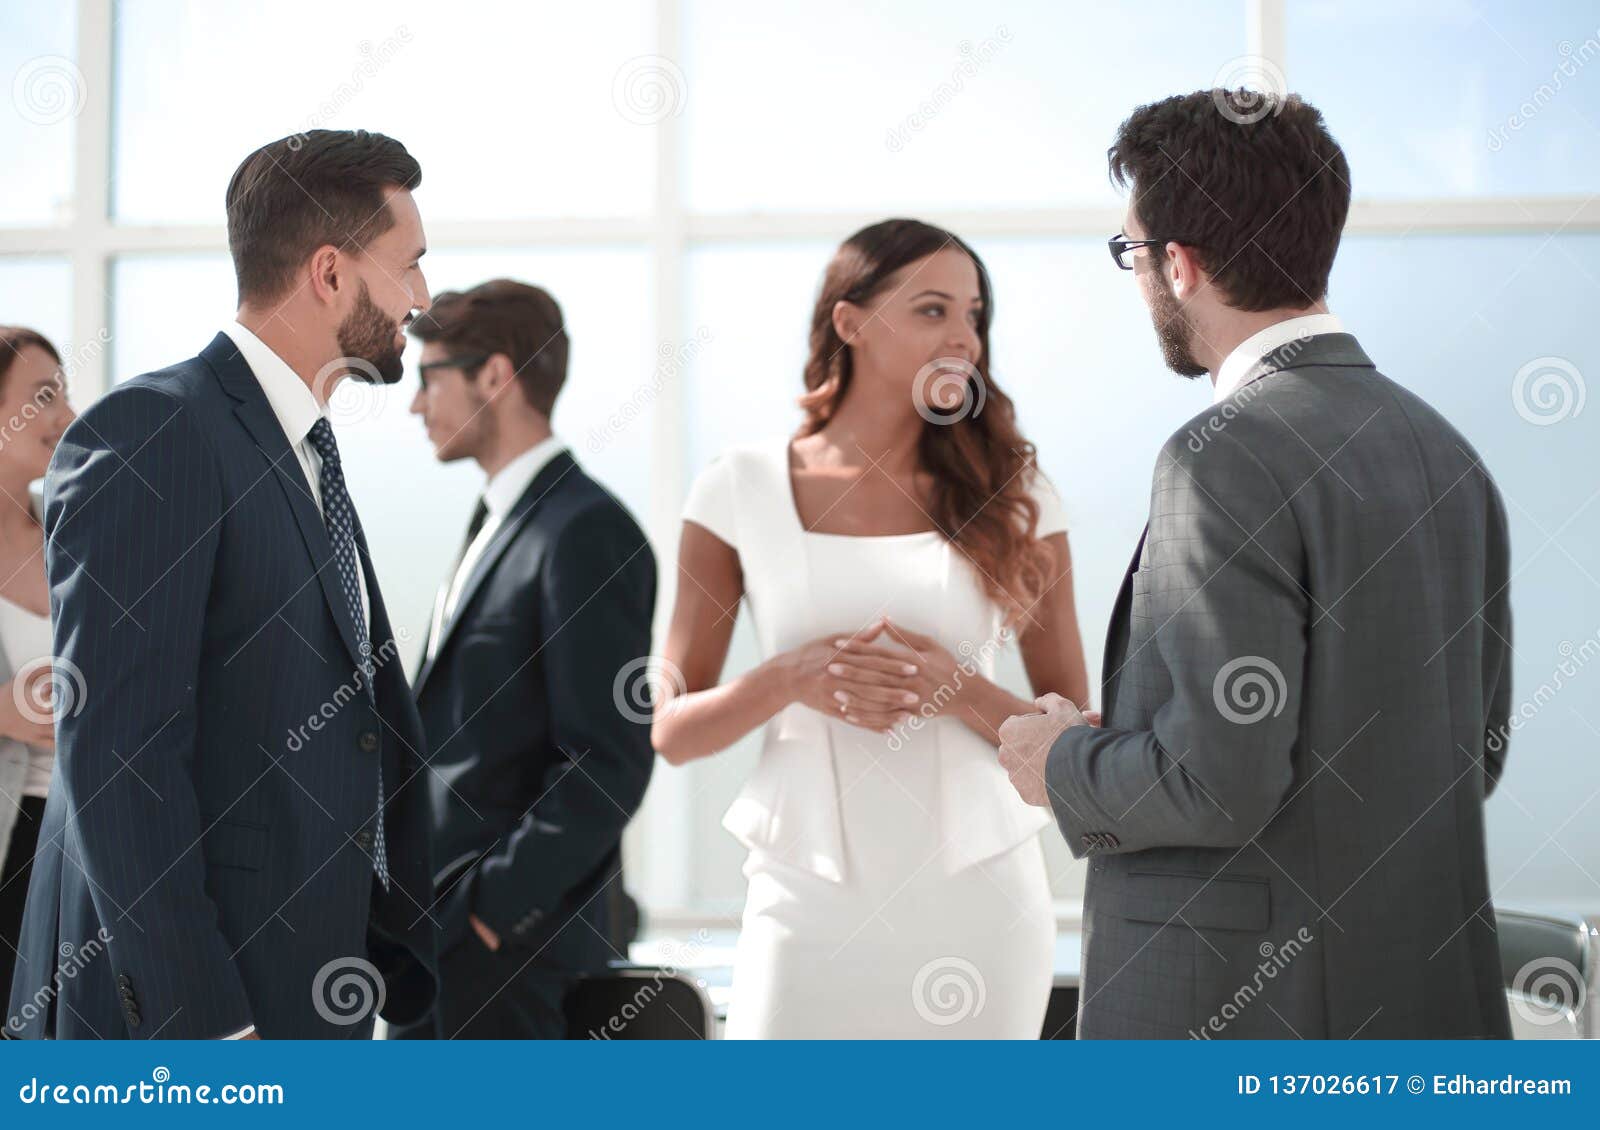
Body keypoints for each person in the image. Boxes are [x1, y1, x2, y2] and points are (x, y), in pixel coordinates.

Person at [997, 89, 1513, 1039]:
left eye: (1131, 253)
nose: (1136, 276)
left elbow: (1219, 782)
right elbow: (1469, 753)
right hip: (1423, 1007)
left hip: (1238, 1014)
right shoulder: (1446, 453)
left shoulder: (1220, 454)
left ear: (1178, 265)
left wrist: (1059, 760)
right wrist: (1152, 732)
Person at [6, 129, 439, 1039]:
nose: (423, 300)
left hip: (308, 981)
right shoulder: (156, 433)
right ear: (330, 272)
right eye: (410, 267)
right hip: (196, 1009)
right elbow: (120, 757)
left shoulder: (303, 447)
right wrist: (203, 1024)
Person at [655, 218, 1089, 1038]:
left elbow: (1069, 731)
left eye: (975, 314)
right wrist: (788, 678)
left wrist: (955, 688)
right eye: (933, 310)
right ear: (849, 322)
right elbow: (672, 733)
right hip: (803, 896)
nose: (964, 336)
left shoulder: (1019, 494)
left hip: (982, 900)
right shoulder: (736, 489)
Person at [393, 280, 656, 1039]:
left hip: (513, 960)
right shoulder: (499, 521)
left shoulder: (585, 530)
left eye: (428, 378)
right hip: (445, 949)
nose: (415, 406)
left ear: (495, 375)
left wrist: (488, 912)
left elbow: (606, 761)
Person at [0, 327, 75, 1008]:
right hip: (10, 843)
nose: (67, 414)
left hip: (88, 842)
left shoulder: (80, 533)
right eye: (43, 395)